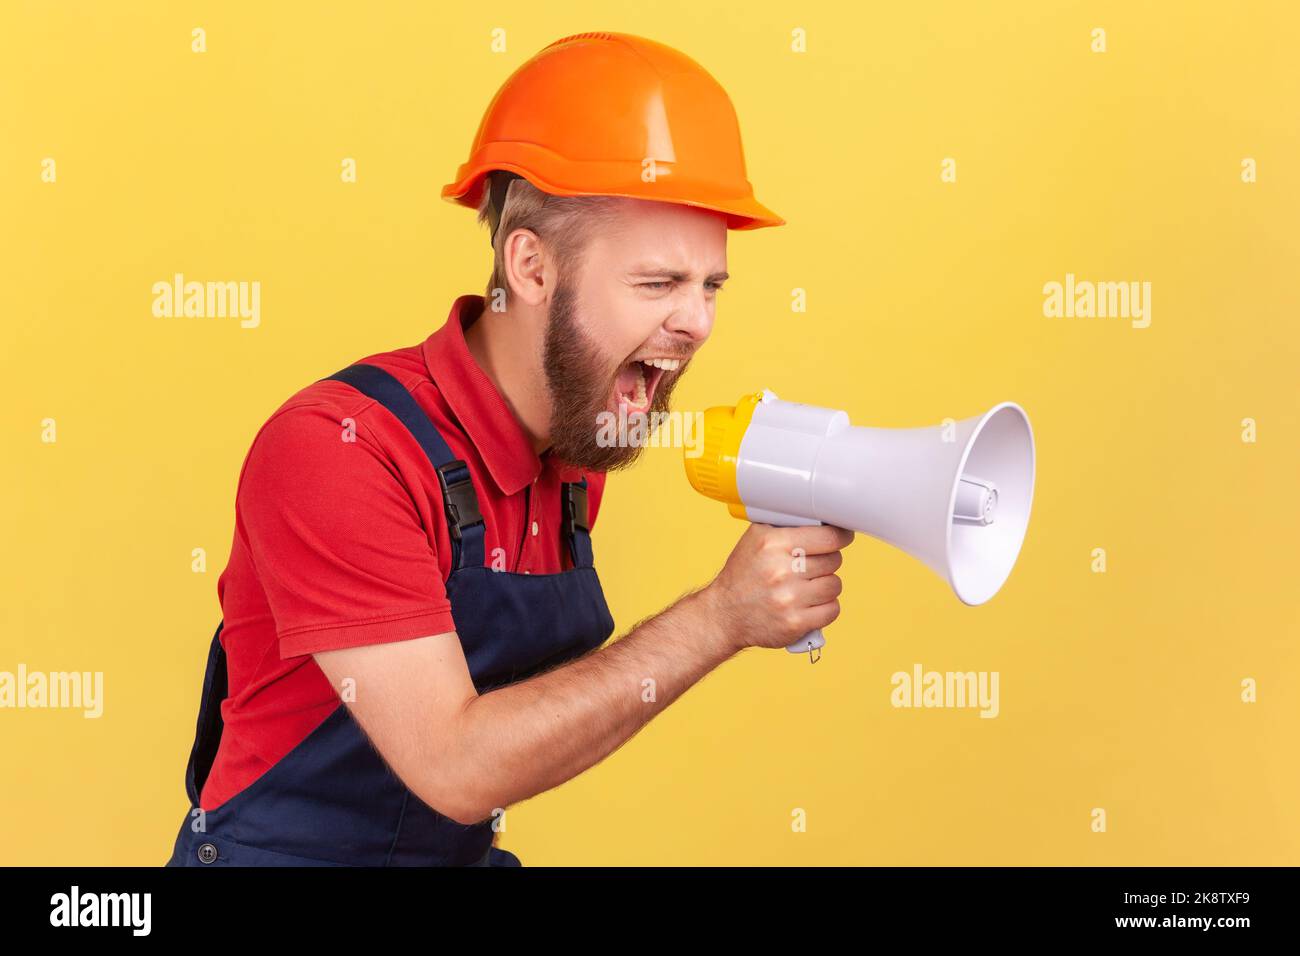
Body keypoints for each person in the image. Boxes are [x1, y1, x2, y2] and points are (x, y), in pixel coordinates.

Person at [166, 31, 853, 868]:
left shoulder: (574, 449)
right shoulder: (339, 452)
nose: (698, 323)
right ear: (530, 266)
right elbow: (454, 765)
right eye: (657, 283)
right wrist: (721, 616)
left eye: (710, 286)